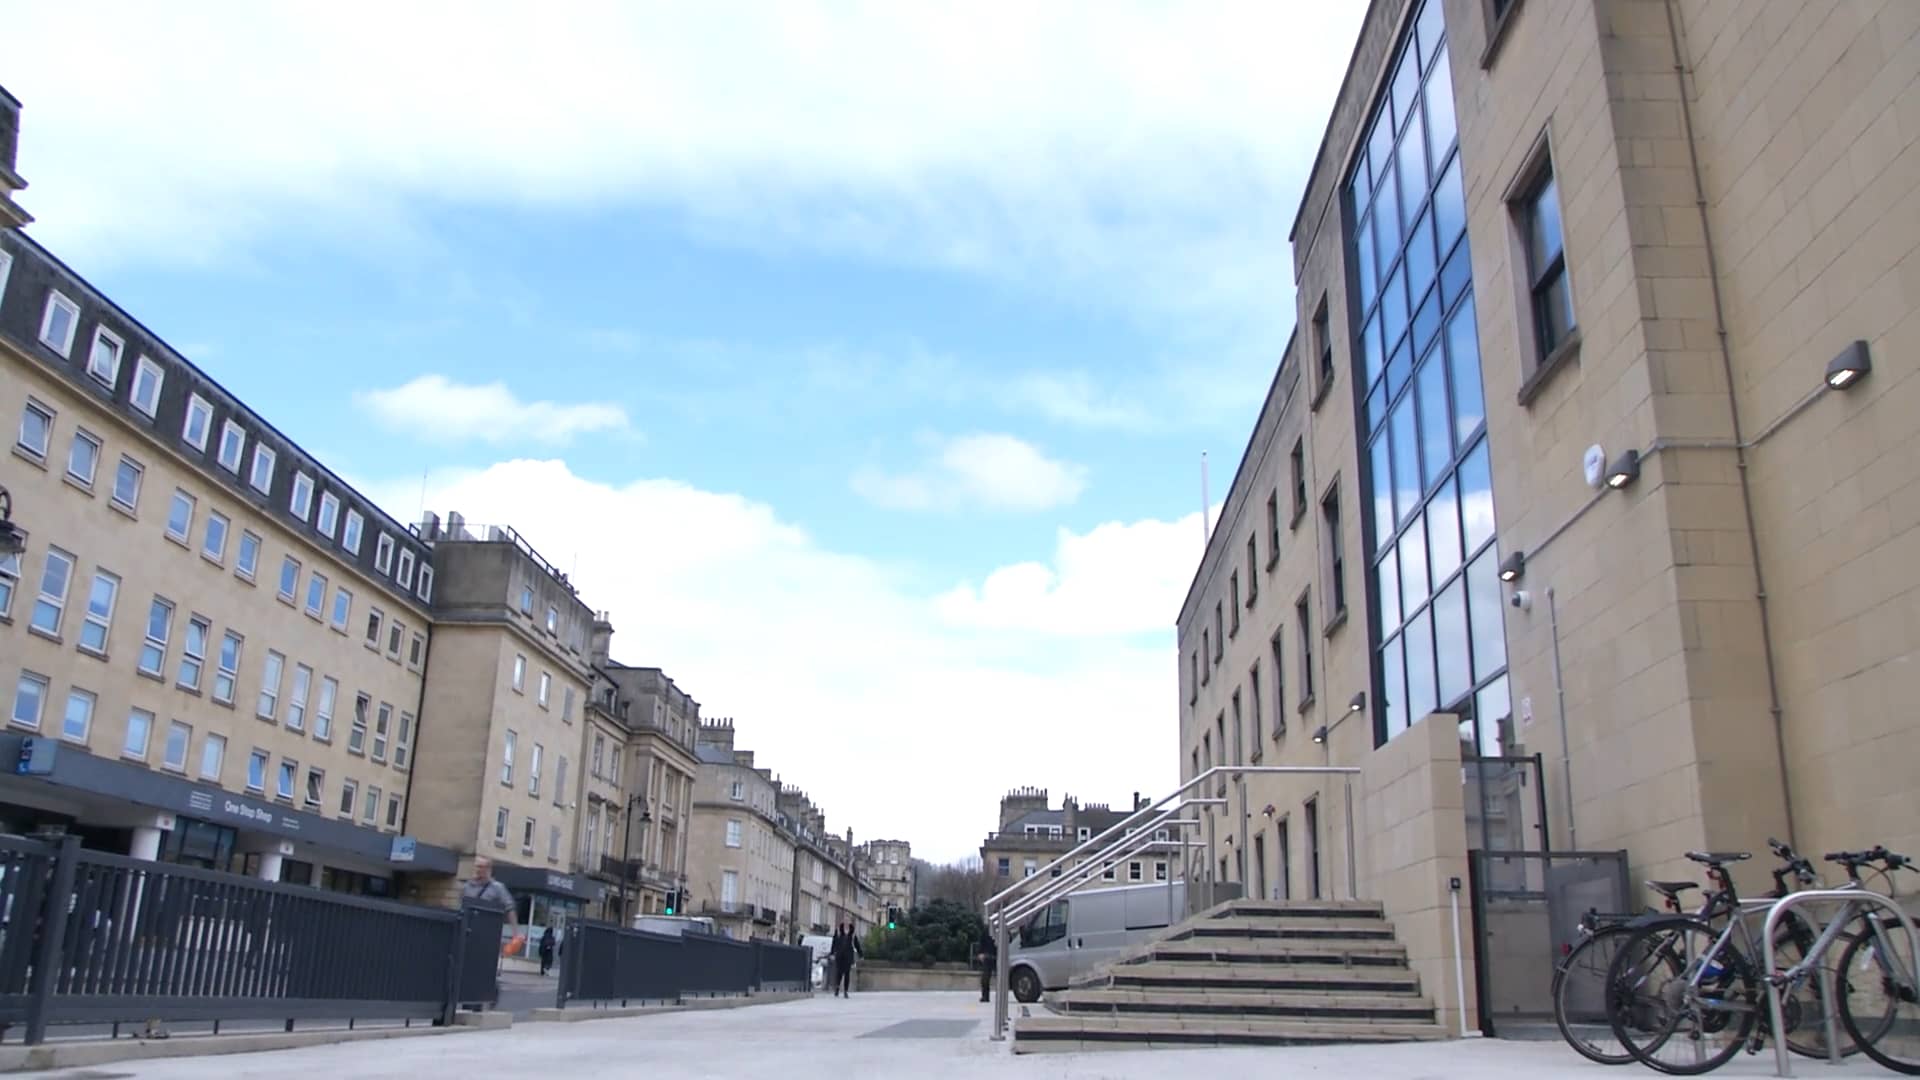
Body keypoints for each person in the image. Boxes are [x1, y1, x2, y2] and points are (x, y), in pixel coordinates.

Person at [461, 856, 522, 953]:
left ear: (488, 869)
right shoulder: (467, 886)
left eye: (481, 867)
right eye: (477, 866)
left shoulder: (498, 888)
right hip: (467, 932)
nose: (478, 869)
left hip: (488, 934)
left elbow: (510, 908)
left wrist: (515, 934)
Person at [830, 921, 860, 997]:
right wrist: (832, 953)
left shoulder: (852, 933)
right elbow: (834, 943)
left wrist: (861, 954)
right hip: (839, 956)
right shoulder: (838, 931)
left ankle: (845, 991)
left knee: (847, 974)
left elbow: (856, 944)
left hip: (848, 957)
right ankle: (837, 987)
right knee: (839, 973)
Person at [976, 923, 997, 1003]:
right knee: (985, 978)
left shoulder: (1002, 928)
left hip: (998, 956)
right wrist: (980, 953)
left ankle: (988, 996)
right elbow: (982, 941)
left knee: (1000, 978)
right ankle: (985, 996)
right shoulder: (987, 930)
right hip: (988, 955)